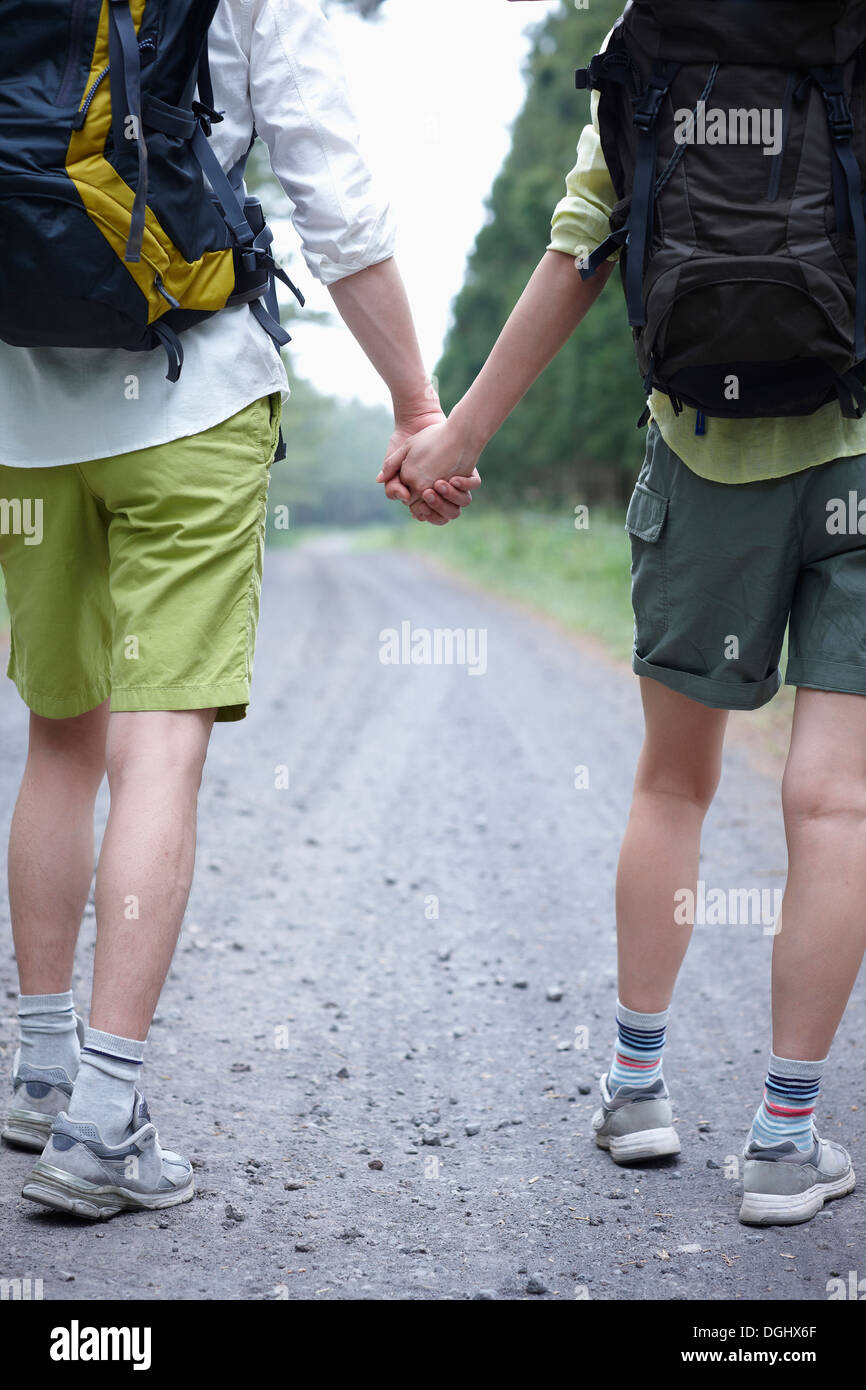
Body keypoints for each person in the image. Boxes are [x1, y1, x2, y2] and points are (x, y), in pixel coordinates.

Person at [380, 24, 866, 1227]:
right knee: (835, 801)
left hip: (702, 460)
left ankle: (638, 1089)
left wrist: (459, 438)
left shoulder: (651, 32)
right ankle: (780, 1142)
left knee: (670, 785)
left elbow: (576, 250)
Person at [0, 0, 476, 1219]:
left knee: (61, 734)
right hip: (191, 392)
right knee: (158, 741)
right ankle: (105, 1122)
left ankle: (41, 1071)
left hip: (21, 415)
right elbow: (333, 191)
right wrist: (416, 405)